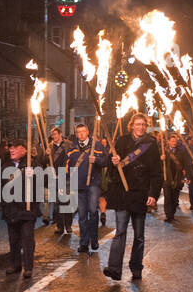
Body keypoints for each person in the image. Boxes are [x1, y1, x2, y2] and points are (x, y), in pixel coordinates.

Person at [103, 113, 162, 282]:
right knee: (120, 231)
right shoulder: (122, 141)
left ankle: (136, 267)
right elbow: (111, 164)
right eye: (137, 124)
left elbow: (157, 173)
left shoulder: (151, 144)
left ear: (146, 126)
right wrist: (113, 160)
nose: (140, 127)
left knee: (139, 235)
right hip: (123, 193)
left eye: (143, 124)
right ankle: (114, 268)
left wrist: (153, 194)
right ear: (132, 126)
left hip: (141, 193)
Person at [66, 122, 107, 255]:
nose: (81, 134)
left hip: (93, 183)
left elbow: (106, 161)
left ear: (88, 132)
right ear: (76, 134)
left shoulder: (97, 145)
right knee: (82, 215)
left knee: (92, 211)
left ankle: (94, 239)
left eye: (83, 131)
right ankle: (83, 243)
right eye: (79, 132)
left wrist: (96, 160)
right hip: (79, 185)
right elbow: (67, 166)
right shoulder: (72, 148)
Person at [0, 138, 40, 277]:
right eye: (10, 147)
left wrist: (33, 176)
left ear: (24, 149)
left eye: (15, 147)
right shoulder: (6, 165)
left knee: (27, 237)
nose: (11, 150)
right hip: (11, 208)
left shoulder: (32, 165)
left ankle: (28, 267)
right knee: (14, 238)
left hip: (27, 208)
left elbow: (42, 183)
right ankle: (15, 264)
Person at [162, 133, 192, 221]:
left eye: (175, 141)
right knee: (167, 197)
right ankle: (169, 215)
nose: (174, 143)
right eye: (172, 141)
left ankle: (172, 213)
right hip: (167, 177)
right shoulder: (164, 151)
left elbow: (186, 164)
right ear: (168, 142)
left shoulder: (181, 152)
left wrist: (188, 176)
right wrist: (161, 159)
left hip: (177, 178)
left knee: (175, 198)